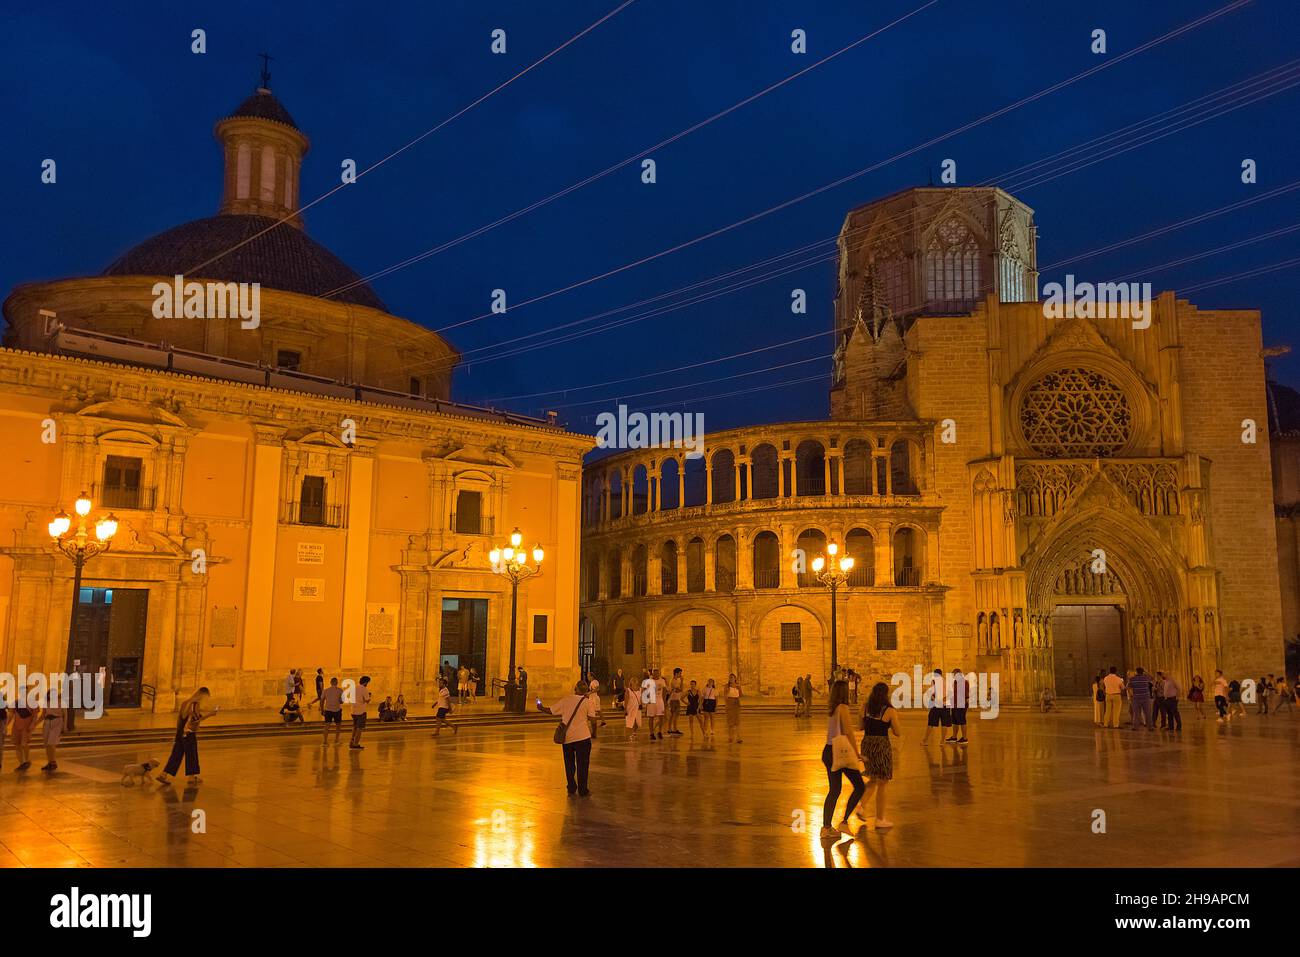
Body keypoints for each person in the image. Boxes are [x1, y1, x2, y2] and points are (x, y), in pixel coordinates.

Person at [819, 678, 866, 840]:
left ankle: (826, 828)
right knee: (859, 786)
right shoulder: (843, 708)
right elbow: (848, 732)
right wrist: (857, 752)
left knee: (834, 790)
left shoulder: (832, 709)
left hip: (828, 750)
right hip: (840, 751)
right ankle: (844, 822)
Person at [859, 681, 901, 829]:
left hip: (866, 743)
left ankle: (861, 806)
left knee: (873, 778)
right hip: (881, 745)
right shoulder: (889, 710)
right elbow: (897, 732)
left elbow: (860, 727)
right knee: (883, 782)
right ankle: (880, 819)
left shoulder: (864, 708)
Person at [546, 681, 598, 796]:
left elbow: (551, 710)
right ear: (585, 691)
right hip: (583, 737)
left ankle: (571, 787)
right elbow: (593, 719)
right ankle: (583, 790)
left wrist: (540, 707)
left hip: (568, 738)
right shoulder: (588, 702)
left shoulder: (566, 699)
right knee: (583, 765)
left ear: (575, 689)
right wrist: (594, 732)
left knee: (569, 764)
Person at [157, 687, 212, 785]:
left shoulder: (185, 703)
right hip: (188, 733)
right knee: (192, 755)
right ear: (202, 695)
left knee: (176, 754)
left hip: (180, 733)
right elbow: (195, 720)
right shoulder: (195, 704)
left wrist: (177, 734)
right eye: (206, 697)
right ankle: (191, 777)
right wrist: (210, 715)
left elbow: (181, 719)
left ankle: (163, 774)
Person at [9, 696, 37, 772]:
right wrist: (6, 724)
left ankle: (27, 761)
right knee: (17, 745)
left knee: (24, 744)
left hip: (26, 727)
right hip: (16, 727)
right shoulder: (16, 702)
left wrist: (32, 725)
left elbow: (35, 716)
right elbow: (11, 714)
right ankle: (22, 763)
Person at [923, 669, 951, 743]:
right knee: (944, 723)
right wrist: (944, 699)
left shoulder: (934, 681)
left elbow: (932, 693)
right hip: (946, 705)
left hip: (937, 705)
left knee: (931, 722)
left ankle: (925, 741)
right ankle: (942, 741)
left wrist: (934, 699)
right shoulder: (947, 681)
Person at [40, 692, 65, 773]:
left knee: (51, 743)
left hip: (57, 722)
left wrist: (64, 726)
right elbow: (43, 715)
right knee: (47, 744)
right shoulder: (46, 703)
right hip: (47, 722)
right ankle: (50, 762)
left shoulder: (61, 702)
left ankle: (53, 762)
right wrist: (35, 724)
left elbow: (65, 714)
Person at [946, 669, 969, 744]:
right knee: (954, 721)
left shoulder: (963, 682)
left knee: (962, 720)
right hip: (954, 704)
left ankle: (964, 738)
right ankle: (954, 737)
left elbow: (965, 694)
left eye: (954, 674)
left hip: (961, 704)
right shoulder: (955, 682)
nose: (953, 676)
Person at [350, 675, 372, 749]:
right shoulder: (364, 689)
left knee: (355, 726)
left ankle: (352, 741)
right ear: (366, 682)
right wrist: (370, 697)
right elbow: (367, 700)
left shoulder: (354, 688)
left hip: (353, 710)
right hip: (361, 711)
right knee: (359, 728)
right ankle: (356, 744)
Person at [321, 676, 344, 744]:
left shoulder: (326, 690)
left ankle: (325, 741)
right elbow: (341, 701)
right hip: (337, 710)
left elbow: (322, 700)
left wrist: (322, 709)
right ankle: (336, 740)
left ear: (330, 683)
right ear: (337, 683)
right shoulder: (340, 690)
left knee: (327, 726)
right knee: (338, 726)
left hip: (328, 710)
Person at [642, 669, 663, 740]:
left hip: (660, 700)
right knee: (651, 717)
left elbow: (665, 690)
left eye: (657, 673)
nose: (656, 674)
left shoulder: (662, 680)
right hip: (651, 701)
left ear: (659, 674)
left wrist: (665, 702)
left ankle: (659, 731)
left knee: (661, 717)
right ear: (652, 674)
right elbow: (644, 691)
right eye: (655, 673)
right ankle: (651, 733)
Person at [724, 674, 743, 744]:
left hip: (736, 703)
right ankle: (730, 737)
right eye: (730, 678)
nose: (731, 679)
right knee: (730, 722)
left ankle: (738, 737)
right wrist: (726, 704)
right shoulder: (727, 686)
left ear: (735, 678)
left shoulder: (738, 686)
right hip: (730, 703)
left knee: (737, 721)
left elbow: (741, 695)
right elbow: (725, 696)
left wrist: (739, 689)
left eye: (732, 678)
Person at [624, 673, 642, 741]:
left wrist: (641, 704)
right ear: (631, 683)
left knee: (637, 722)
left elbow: (640, 698)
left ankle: (634, 732)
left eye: (635, 681)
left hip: (637, 707)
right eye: (633, 681)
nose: (634, 682)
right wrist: (625, 709)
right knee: (631, 721)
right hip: (630, 707)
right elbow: (626, 700)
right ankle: (632, 734)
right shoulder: (628, 691)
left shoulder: (640, 689)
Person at [666, 668, 684, 735]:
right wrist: (682, 681)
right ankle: (671, 729)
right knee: (673, 715)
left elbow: (680, 689)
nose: (681, 674)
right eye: (680, 673)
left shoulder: (677, 680)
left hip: (676, 699)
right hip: (673, 700)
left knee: (675, 715)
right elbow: (680, 689)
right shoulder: (673, 681)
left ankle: (673, 729)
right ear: (676, 673)